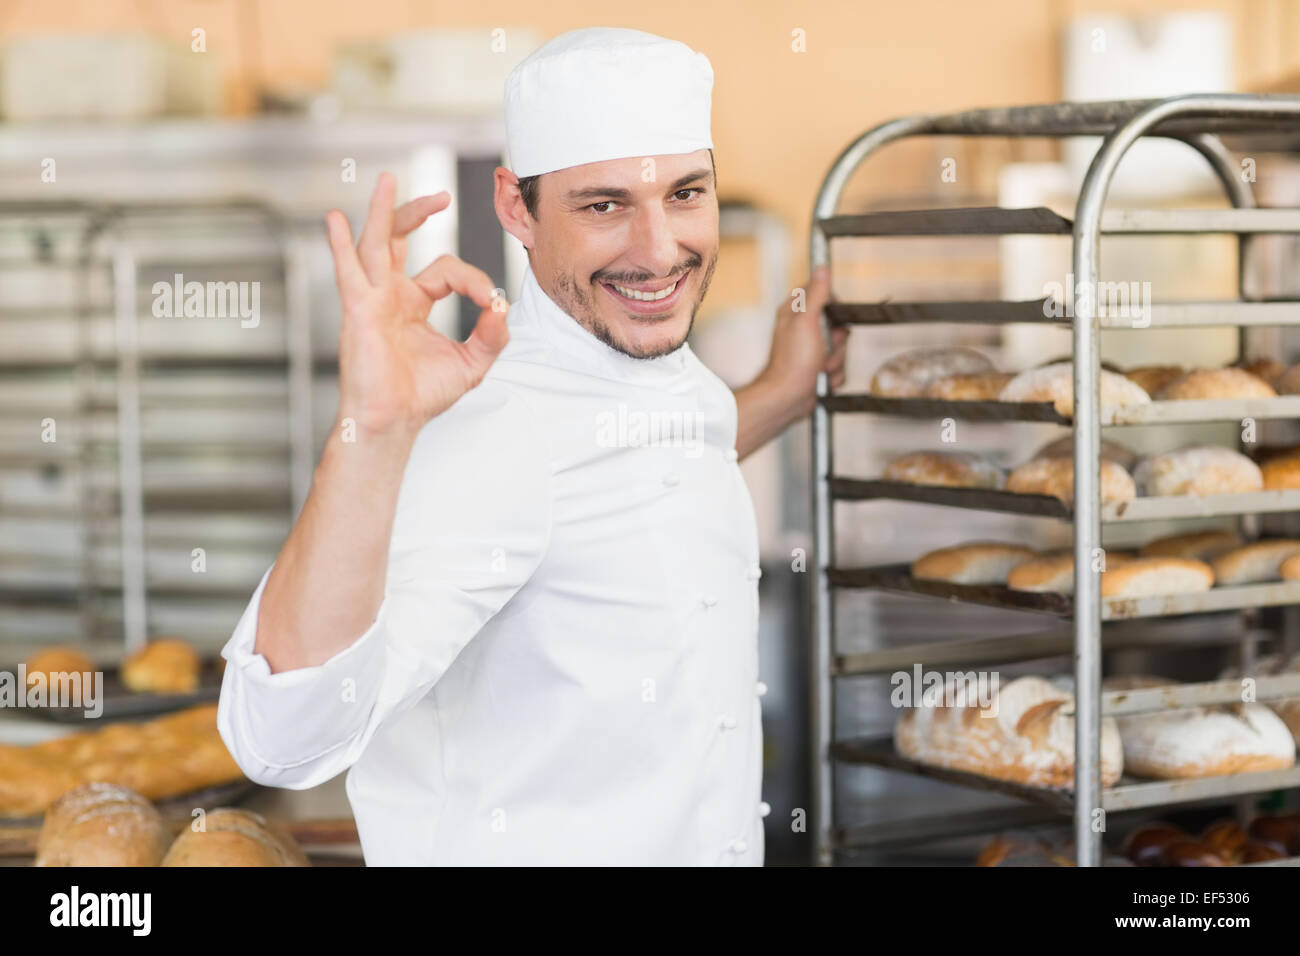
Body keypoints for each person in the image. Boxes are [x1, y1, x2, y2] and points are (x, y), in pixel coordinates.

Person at [216, 26, 848, 865]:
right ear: (517, 206)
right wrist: (372, 433)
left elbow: (640, 470)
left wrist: (782, 392)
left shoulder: (658, 381)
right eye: (604, 205)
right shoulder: (494, 432)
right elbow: (281, 738)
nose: (660, 249)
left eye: (686, 194)